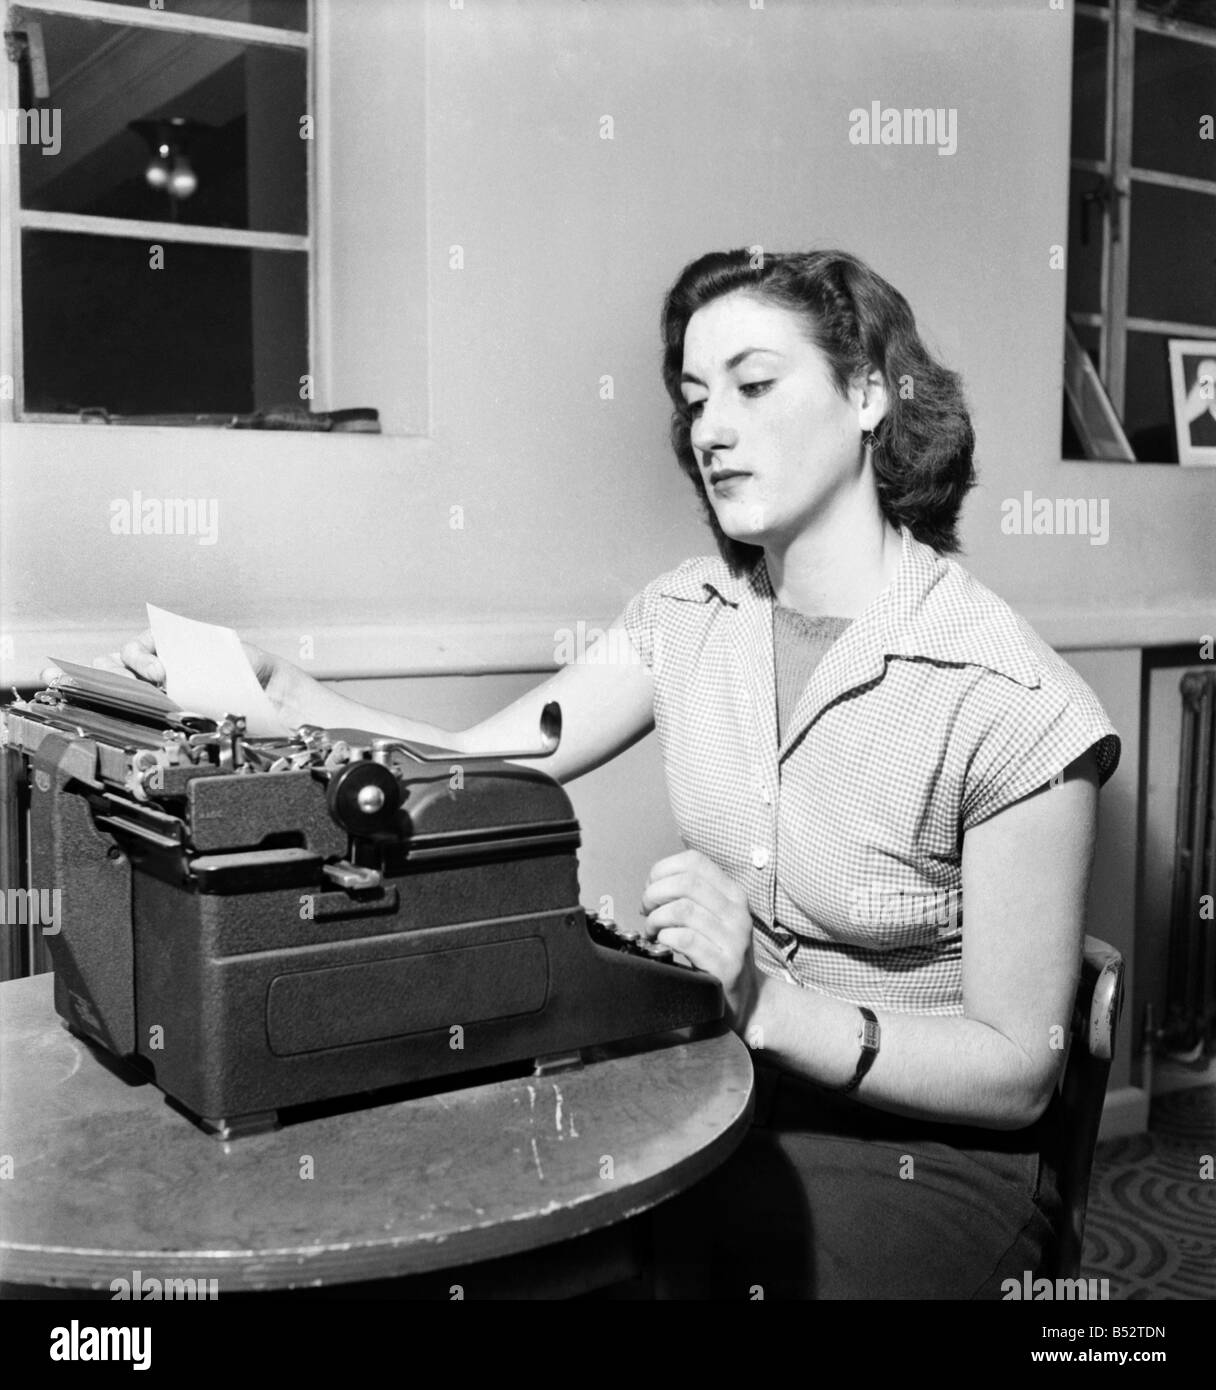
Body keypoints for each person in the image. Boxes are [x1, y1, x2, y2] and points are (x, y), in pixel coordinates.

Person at [89, 248, 1120, 1300]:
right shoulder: (684, 613)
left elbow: (1017, 1068)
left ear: (866, 394)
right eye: (693, 398)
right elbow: (487, 758)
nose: (710, 429)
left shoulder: (1007, 696)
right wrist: (292, 698)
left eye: (753, 386)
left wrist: (768, 1004)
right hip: (717, 1091)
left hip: (921, 1153)